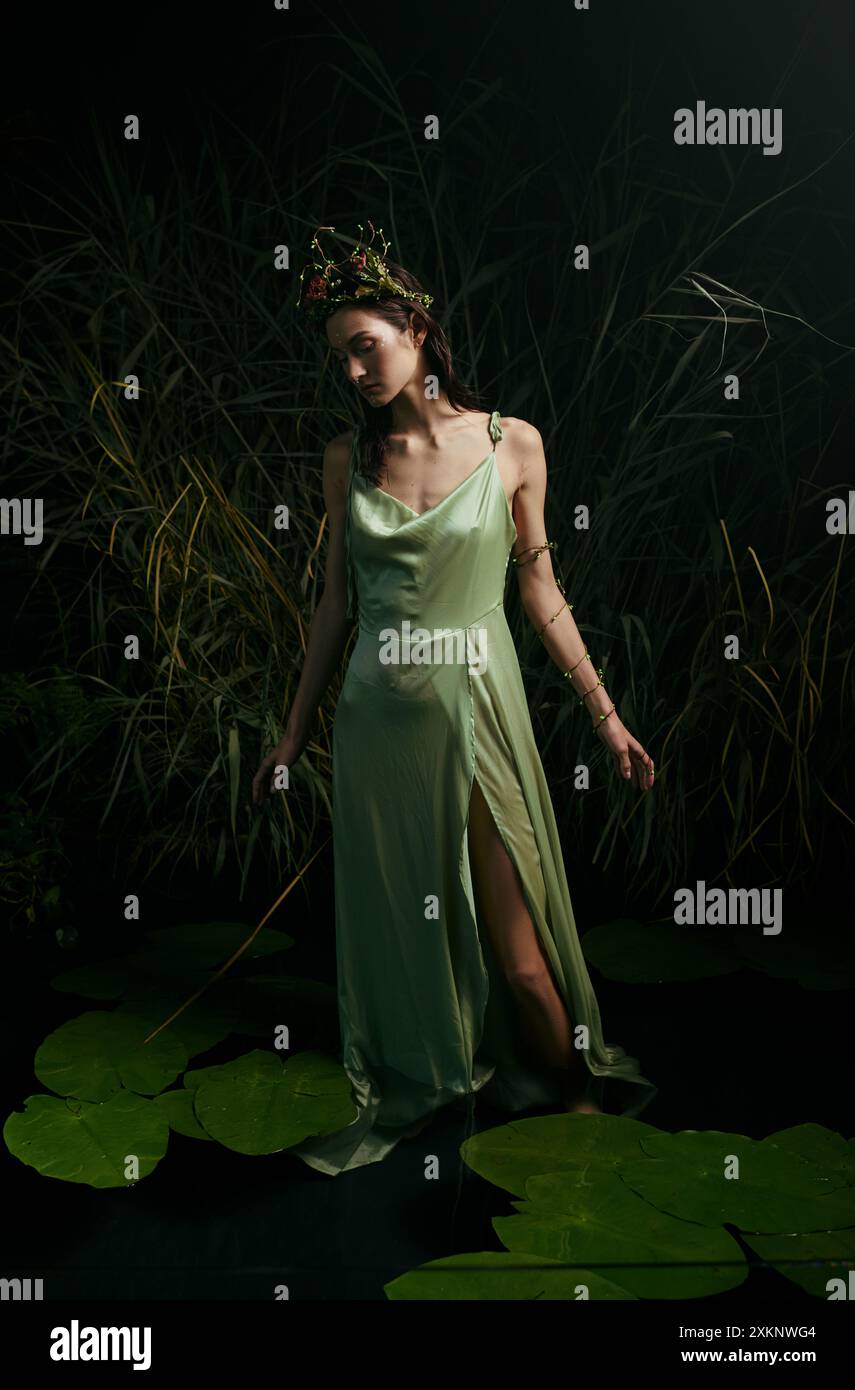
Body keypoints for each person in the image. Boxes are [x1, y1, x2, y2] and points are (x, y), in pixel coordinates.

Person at [251, 223, 658, 1174]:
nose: (353, 370)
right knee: (404, 926)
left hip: (476, 712)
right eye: (338, 357)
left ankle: (580, 1108)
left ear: (416, 329)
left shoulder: (512, 445)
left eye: (367, 345)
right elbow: (334, 608)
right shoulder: (345, 461)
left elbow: (540, 591)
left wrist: (607, 718)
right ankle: (435, 1072)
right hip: (377, 726)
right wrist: (292, 734)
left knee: (518, 952)